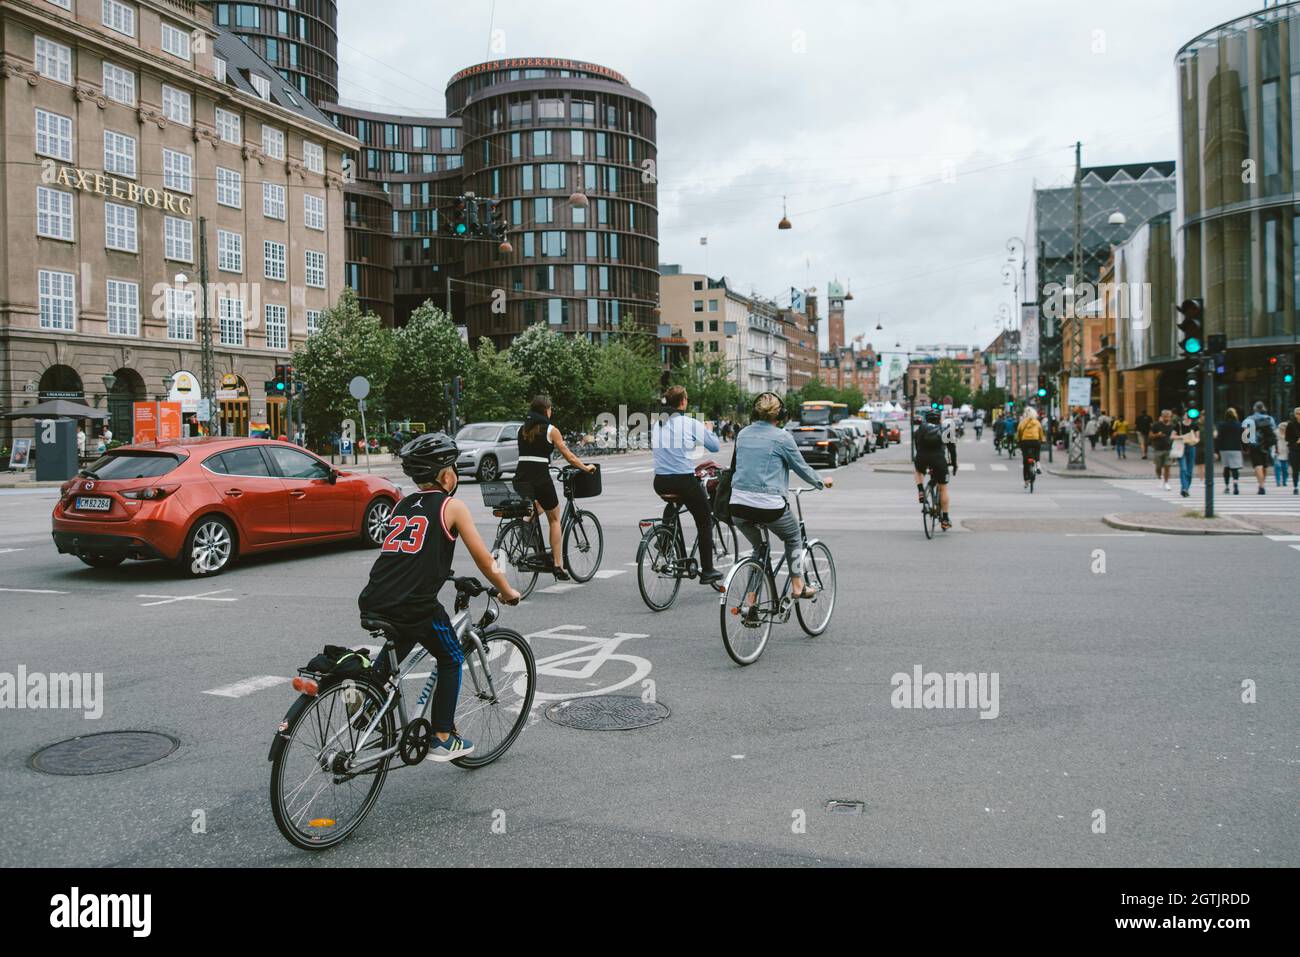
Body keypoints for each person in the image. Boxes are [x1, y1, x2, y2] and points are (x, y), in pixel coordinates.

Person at [357, 432, 522, 762]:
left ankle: (366, 704)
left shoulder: (403, 503)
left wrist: (444, 574)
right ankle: (442, 737)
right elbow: (483, 559)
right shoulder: (452, 505)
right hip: (415, 604)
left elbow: (411, 553)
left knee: (396, 648)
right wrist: (507, 590)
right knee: (450, 658)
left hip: (376, 597)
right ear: (446, 474)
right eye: (454, 468)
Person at [731, 392, 831, 599]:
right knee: (793, 536)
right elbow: (802, 468)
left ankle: (750, 602)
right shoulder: (782, 437)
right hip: (769, 505)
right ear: (782, 414)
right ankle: (798, 585)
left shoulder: (742, 434)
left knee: (758, 551)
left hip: (737, 505)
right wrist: (821, 481)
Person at [514, 395, 595, 580]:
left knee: (538, 506)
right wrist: (586, 467)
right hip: (539, 478)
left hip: (520, 479)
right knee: (554, 518)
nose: (551, 412)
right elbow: (569, 456)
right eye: (550, 409)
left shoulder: (521, 429)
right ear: (546, 410)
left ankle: (526, 523)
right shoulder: (551, 430)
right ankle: (558, 566)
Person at [651, 385, 723, 585]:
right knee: (705, 520)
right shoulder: (688, 422)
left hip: (660, 481)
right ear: (682, 402)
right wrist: (708, 430)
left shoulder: (657, 423)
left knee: (674, 503)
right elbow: (715, 446)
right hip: (683, 480)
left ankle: (665, 541)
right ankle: (707, 570)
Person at [913, 408, 958, 530]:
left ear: (926, 419)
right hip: (938, 460)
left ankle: (921, 490)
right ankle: (945, 519)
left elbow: (917, 445)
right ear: (940, 419)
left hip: (922, 458)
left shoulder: (920, 429)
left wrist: (920, 457)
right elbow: (952, 449)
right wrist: (954, 464)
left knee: (918, 471)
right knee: (943, 488)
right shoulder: (946, 429)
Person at [1243, 401, 1278, 495]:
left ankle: (1261, 485)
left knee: (1258, 466)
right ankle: (1262, 484)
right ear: (1263, 408)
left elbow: (1245, 434)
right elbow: (1274, 431)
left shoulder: (1249, 419)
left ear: (1254, 409)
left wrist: (1245, 446)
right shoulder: (1269, 418)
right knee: (1265, 466)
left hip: (1254, 445)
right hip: (1266, 446)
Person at [1215, 407, 1244, 495]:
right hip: (1236, 448)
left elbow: (1218, 438)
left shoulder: (1221, 425)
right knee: (1235, 468)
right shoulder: (1239, 425)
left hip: (1224, 448)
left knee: (1226, 467)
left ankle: (1227, 487)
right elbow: (1243, 438)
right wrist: (1245, 448)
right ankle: (1235, 485)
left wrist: (1216, 450)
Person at [1015, 406, 1046, 489]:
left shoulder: (1022, 422)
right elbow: (1041, 432)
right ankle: (1038, 464)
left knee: (1025, 461)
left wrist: (1018, 440)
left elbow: (1019, 432)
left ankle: (1026, 480)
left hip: (1025, 442)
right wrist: (1042, 439)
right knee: (1037, 450)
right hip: (1035, 441)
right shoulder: (1037, 422)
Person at [1148, 409, 1177, 490]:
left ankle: (1166, 482)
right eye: (1165, 417)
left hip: (1169, 449)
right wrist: (1157, 435)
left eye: (1168, 417)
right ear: (1162, 416)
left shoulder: (1173, 426)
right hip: (1158, 449)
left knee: (1167, 466)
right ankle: (1160, 477)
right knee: (1158, 467)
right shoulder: (1156, 425)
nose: (1167, 419)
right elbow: (1150, 436)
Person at [1176, 411, 1200, 497]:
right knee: (1183, 469)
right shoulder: (1179, 425)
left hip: (1191, 447)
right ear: (1184, 416)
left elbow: (1197, 438)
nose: (1187, 416)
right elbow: (1172, 436)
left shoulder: (1194, 426)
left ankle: (1186, 488)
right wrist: (1183, 436)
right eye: (1186, 414)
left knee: (1189, 470)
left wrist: (1193, 439)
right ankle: (1184, 489)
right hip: (1181, 448)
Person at [1286, 408, 1300, 495]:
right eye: (1298, 413)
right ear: (1295, 415)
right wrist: (1296, 441)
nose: (1299, 415)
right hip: (1294, 449)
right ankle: (1295, 487)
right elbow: (1287, 438)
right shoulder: (1291, 425)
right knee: (1295, 469)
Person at [1274, 417, 1290, 490]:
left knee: (1285, 469)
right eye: (1281, 427)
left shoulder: (1289, 435)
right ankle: (1278, 481)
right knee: (1277, 467)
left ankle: (1284, 481)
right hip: (1277, 452)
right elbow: (1273, 442)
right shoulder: (1276, 433)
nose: (1283, 429)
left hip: (1286, 453)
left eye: (1284, 428)